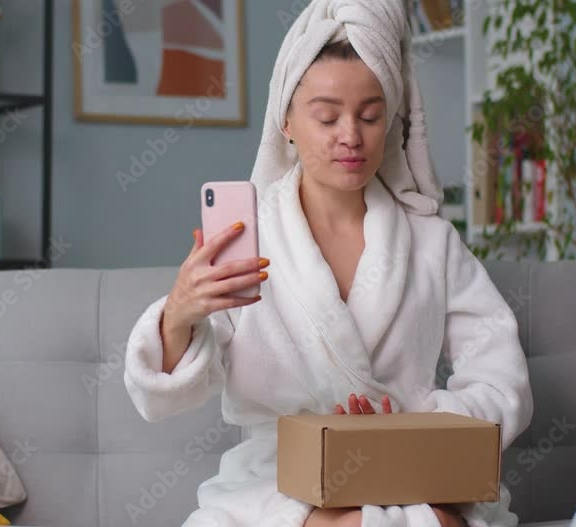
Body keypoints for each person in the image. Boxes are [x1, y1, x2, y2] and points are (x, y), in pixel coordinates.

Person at [123, 1, 534, 525]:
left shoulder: (432, 242)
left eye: (370, 115)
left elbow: (501, 376)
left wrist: (419, 428)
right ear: (287, 121)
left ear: (392, 120)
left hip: (409, 470)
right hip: (277, 475)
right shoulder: (247, 239)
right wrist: (179, 314)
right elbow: (167, 398)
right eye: (326, 116)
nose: (351, 136)